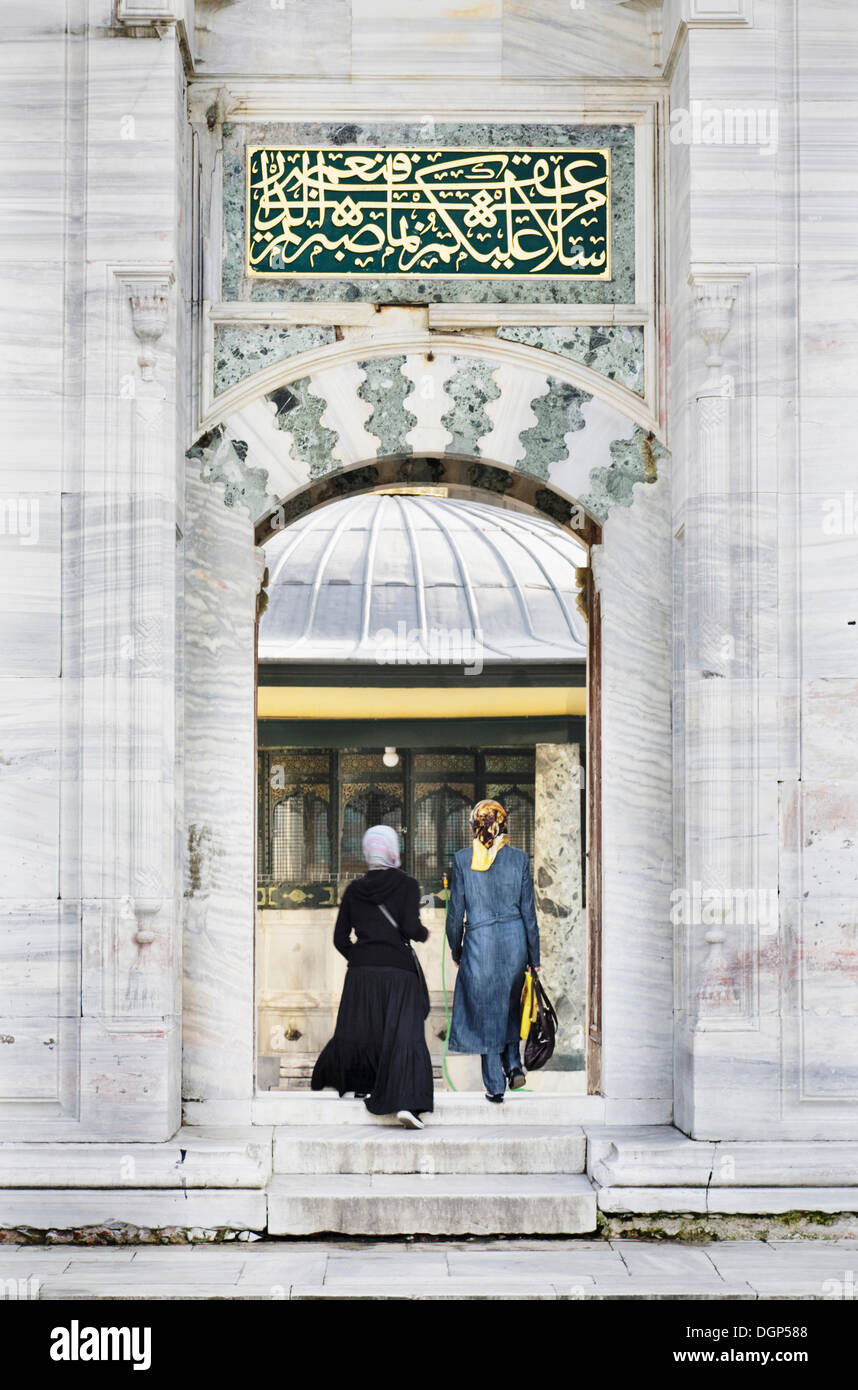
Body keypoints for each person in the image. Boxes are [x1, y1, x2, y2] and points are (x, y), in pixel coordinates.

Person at [311, 824, 434, 1129]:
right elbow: (410, 928)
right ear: (392, 850)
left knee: (366, 1031)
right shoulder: (407, 885)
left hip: (362, 974)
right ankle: (406, 1104)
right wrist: (423, 933)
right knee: (404, 1035)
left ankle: (363, 1085)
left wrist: (360, 958)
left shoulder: (355, 889)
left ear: (369, 851)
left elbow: (340, 938)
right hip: (399, 973)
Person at [445, 799, 540, 1103]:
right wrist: (534, 957)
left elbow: (455, 913)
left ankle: (496, 1084)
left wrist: (457, 949)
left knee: (485, 1008)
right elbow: (529, 913)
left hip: (479, 942)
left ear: (474, 825)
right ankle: (513, 1064)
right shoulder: (520, 859)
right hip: (515, 942)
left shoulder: (463, 860)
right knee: (510, 1002)